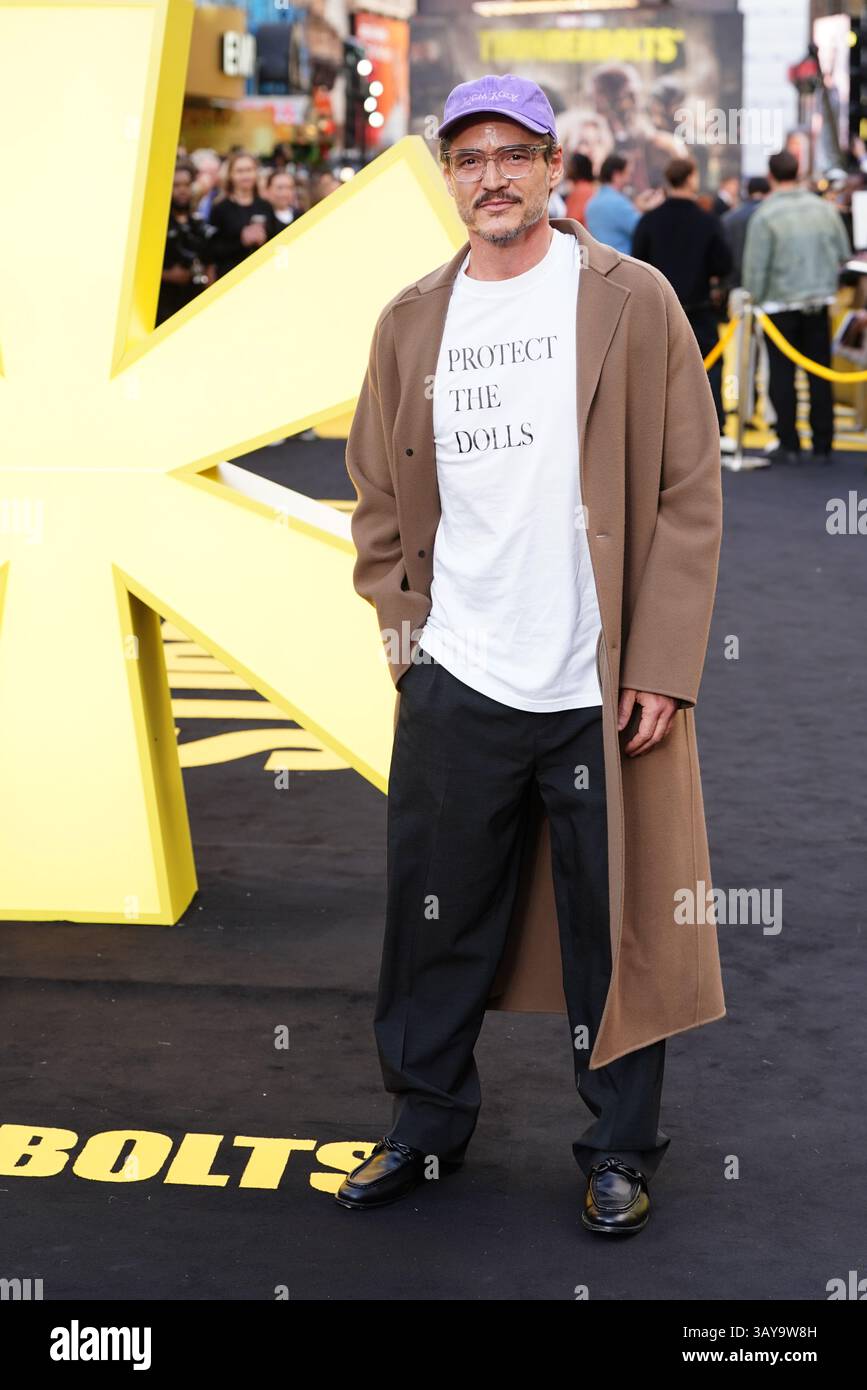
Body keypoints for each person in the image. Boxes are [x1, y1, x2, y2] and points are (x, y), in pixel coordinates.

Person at [340, 73, 725, 1236]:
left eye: (516, 153)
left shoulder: (630, 298)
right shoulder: (412, 315)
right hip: (458, 669)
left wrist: (660, 660)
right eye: (470, 158)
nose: (493, 176)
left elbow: (688, 489)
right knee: (434, 916)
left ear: (557, 167)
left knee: (615, 923)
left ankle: (618, 1146)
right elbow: (374, 495)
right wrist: (410, 640)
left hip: (596, 684)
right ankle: (423, 1123)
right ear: (448, 176)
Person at [741, 149, 851, 462]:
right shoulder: (824, 210)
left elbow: (756, 267)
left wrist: (754, 299)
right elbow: (842, 253)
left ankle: (788, 442)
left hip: (778, 304)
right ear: (799, 170)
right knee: (820, 373)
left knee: (781, 373)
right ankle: (823, 441)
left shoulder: (764, 215)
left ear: (771, 175)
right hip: (819, 301)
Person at [632, 157, 733, 439]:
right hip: (698, 307)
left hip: (658, 310)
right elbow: (723, 264)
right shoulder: (707, 221)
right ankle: (714, 429)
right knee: (709, 368)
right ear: (690, 179)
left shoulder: (649, 220)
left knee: (658, 372)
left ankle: (659, 432)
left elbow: (636, 262)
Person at [203, 151, 283, 279]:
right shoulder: (220, 208)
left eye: (249, 170)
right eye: (240, 171)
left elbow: (276, 242)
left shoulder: (265, 206)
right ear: (230, 175)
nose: (245, 175)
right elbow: (210, 250)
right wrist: (241, 241)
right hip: (229, 276)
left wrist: (264, 240)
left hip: (260, 275)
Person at [156, 162, 211, 325]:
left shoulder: (198, 222)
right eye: (176, 185)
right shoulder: (158, 223)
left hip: (195, 303)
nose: (182, 190)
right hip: (165, 305)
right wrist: (168, 275)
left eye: (186, 185)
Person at [584, 153, 640, 252]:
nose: (629, 179)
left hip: (600, 263)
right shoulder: (619, 204)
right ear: (617, 175)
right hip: (623, 263)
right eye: (627, 174)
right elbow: (642, 231)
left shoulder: (591, 203)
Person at [721, 176, 770, 286]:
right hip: (767, 284)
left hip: (735, 282)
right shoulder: (773, 216)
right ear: (768, 191)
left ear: (748, 191)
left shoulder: (729, 217)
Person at [564, 151, 595, 225]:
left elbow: (572, 221)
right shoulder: (584, 188)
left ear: (577, 168)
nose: (567, 169)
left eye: (570, 165)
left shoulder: (582, 190)